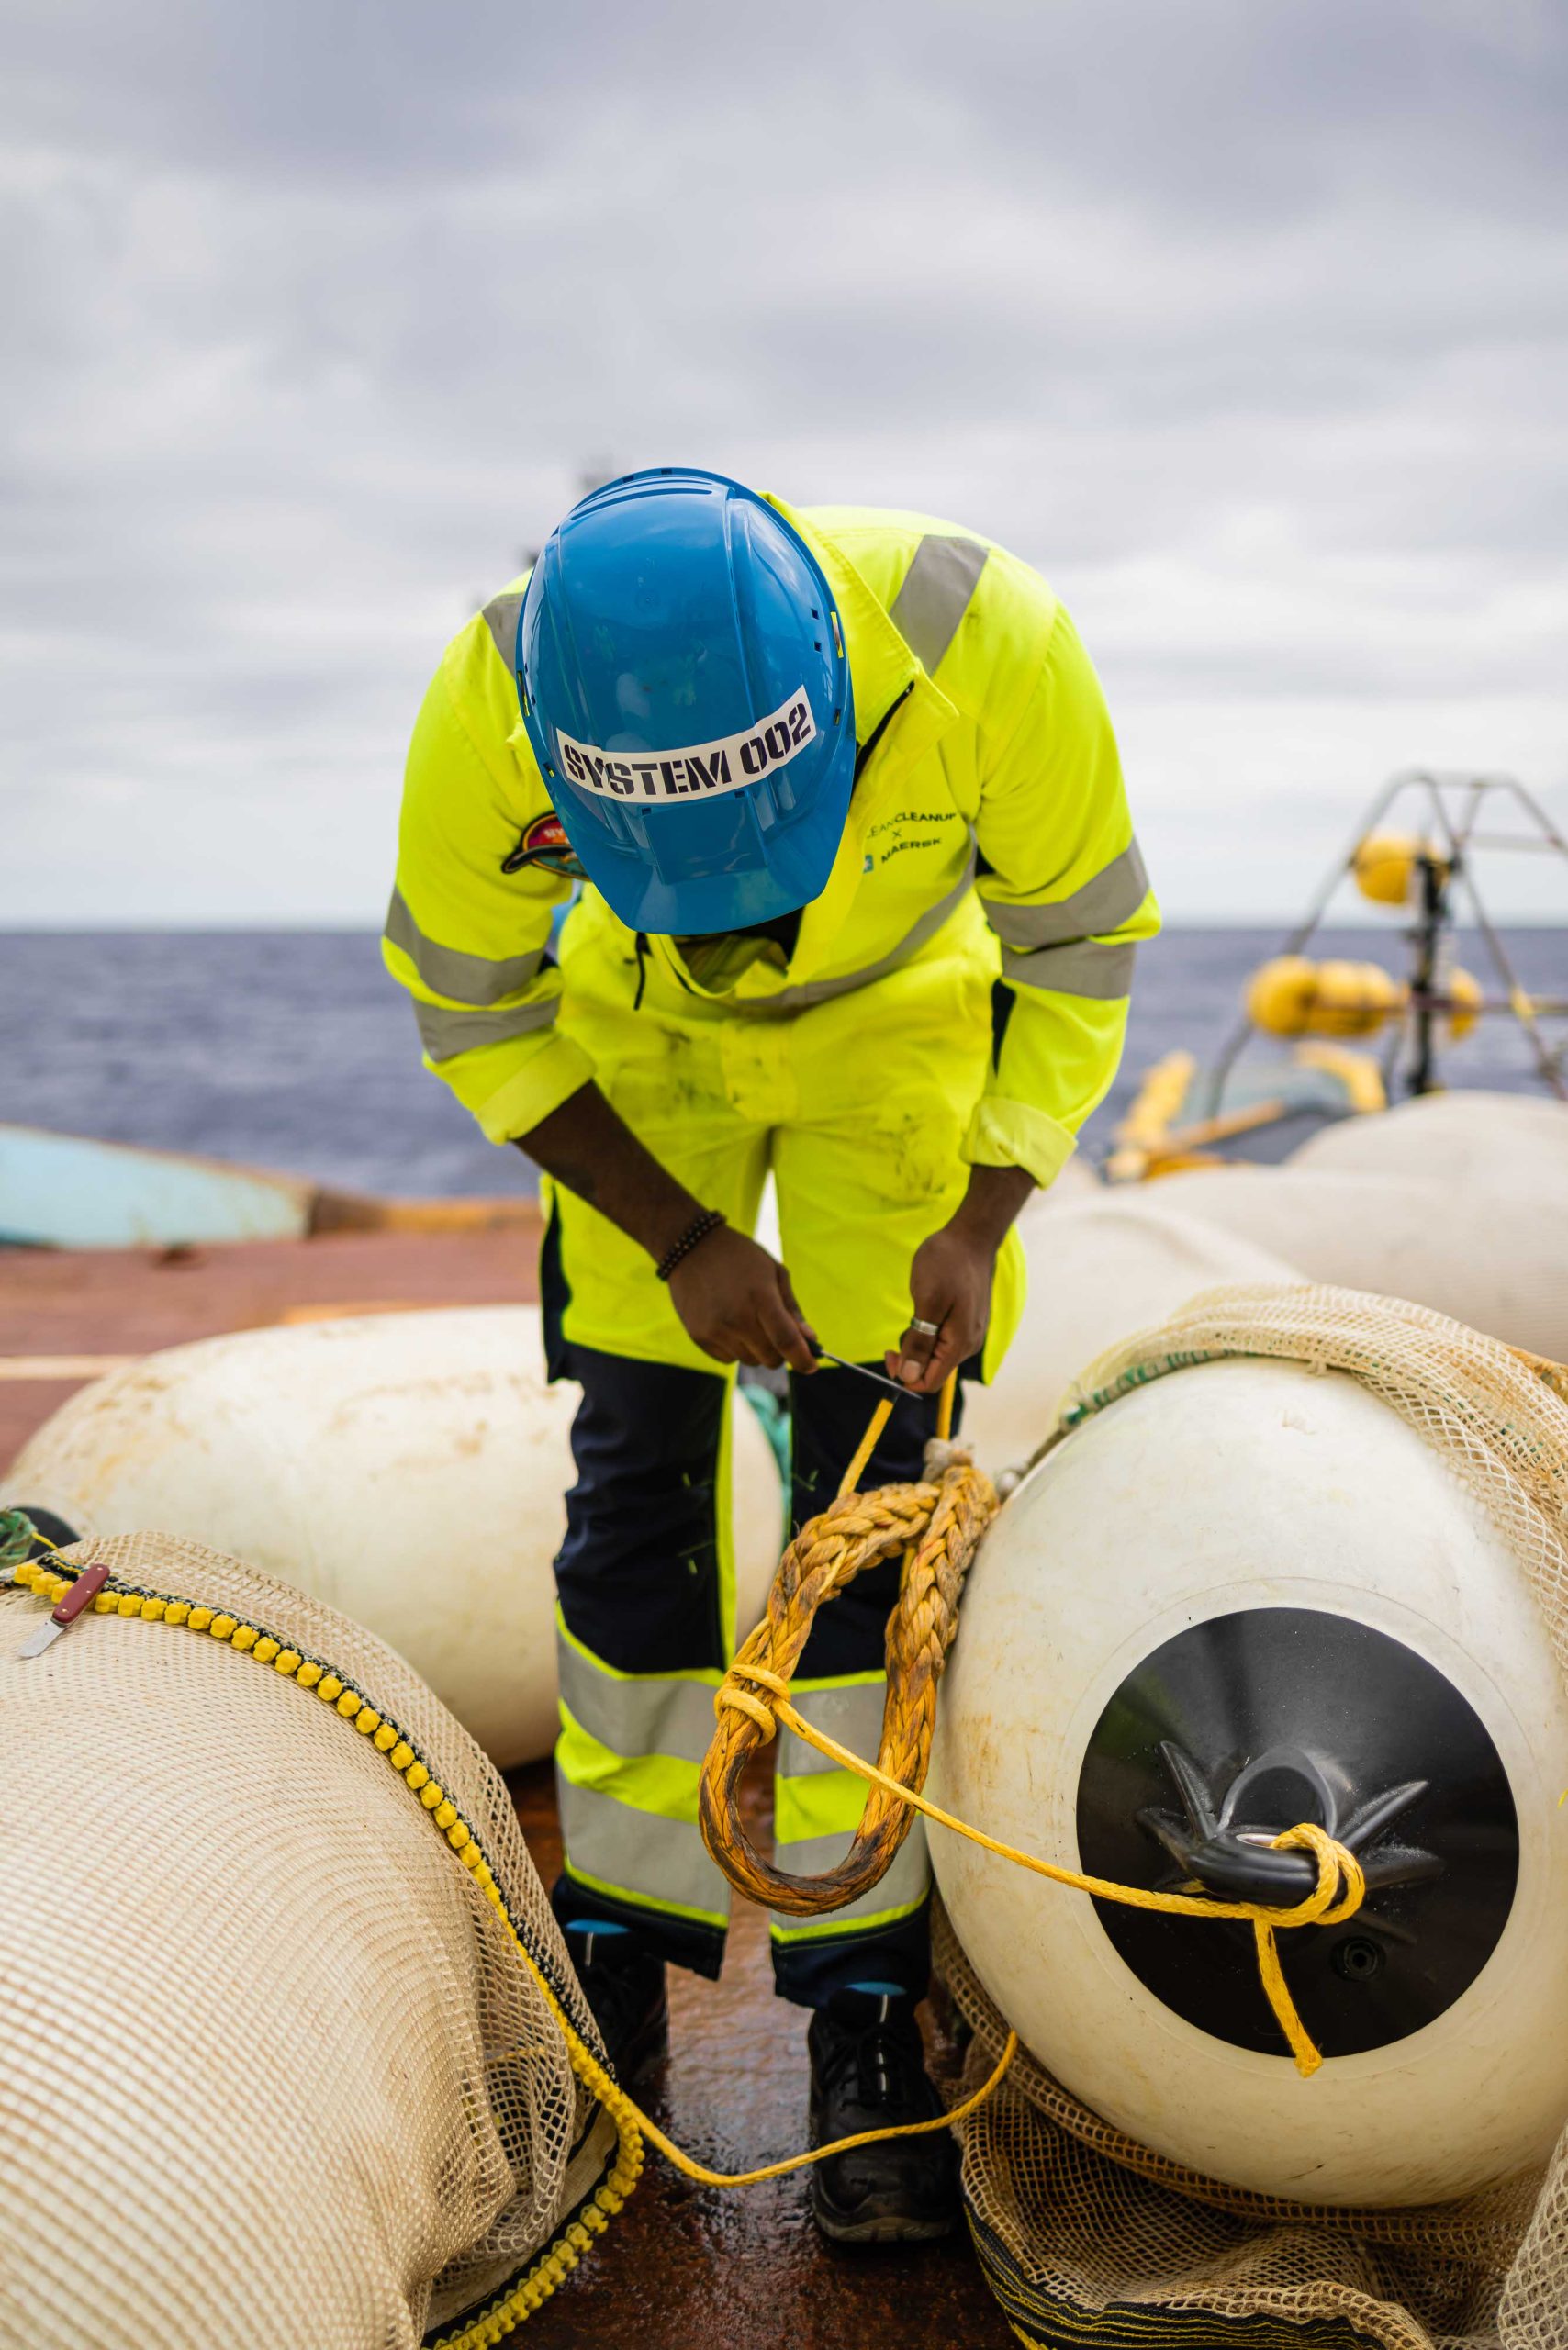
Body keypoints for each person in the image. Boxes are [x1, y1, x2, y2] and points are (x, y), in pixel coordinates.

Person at [384, 468, 1158, 2242]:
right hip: (636, 1054)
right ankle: (621, 1959)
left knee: (868, 1529)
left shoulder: (986, 641)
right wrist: (676, 1236)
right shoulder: (493, 701)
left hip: (893, 1048)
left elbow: (1085, 941)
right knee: (632, 1509)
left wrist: (977, 1219)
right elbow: (471, 1003)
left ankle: (862, 2000)